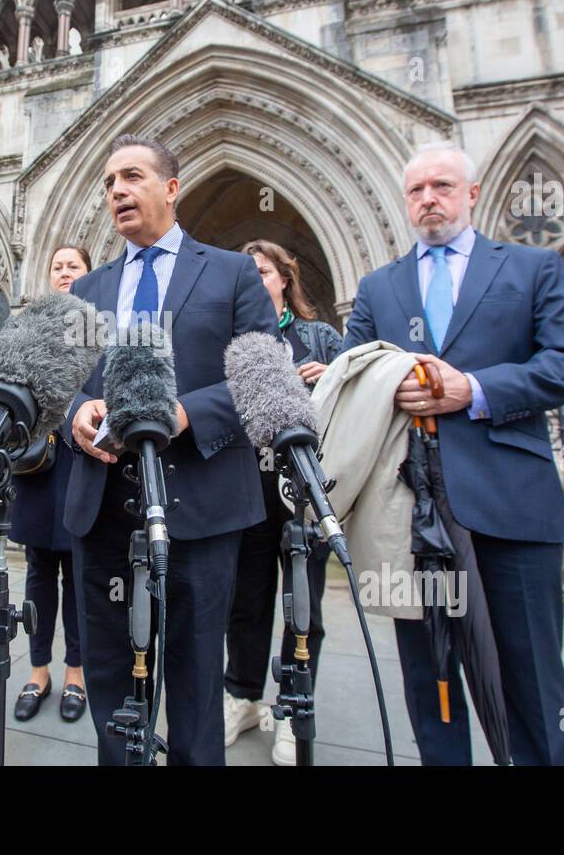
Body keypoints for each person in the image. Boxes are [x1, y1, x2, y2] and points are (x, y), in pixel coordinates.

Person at [339, 141, 564, 765]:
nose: (428, 199)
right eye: (416, 190)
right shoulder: (379, 287)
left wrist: (475, 390)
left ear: (473, 194)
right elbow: (355, 376)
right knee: (431, 679)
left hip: (510, 504)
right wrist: (380, 386)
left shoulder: (532, 268)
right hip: (412, 511)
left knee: (531, 676)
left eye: (442, 186)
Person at [66, 134, 278, 765]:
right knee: (111, 679)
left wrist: (185, 413)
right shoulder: (88, 290)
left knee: (194, 680)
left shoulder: (232, 272)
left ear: (171, 188)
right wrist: (77, 412)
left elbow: (261, 374)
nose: (117, 190)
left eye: (132, 176)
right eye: (109, 182)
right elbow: (63, 382)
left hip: (201, 507)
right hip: (104, 506)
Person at [223, 240, 343, 765]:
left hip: (303, 494)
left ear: (284, 279)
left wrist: (327, 379)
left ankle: (294, 706)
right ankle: (243, 696)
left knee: (304, 603)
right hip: (247, 486)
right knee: (246, 601)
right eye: (246, 272)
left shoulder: (319, 338)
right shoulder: (232, 342)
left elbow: (353, 399)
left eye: (263, 271)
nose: (254, 279)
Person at [10, 245, 91, 724]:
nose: (64, 272)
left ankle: (75, 672)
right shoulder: (32, 324)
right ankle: (38, 671)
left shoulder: (99, 323)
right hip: (39, 467)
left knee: (79, 576)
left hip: (83, 465)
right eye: (57, 266)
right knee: (39, 573)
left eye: (72, 266)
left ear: (89, 272)